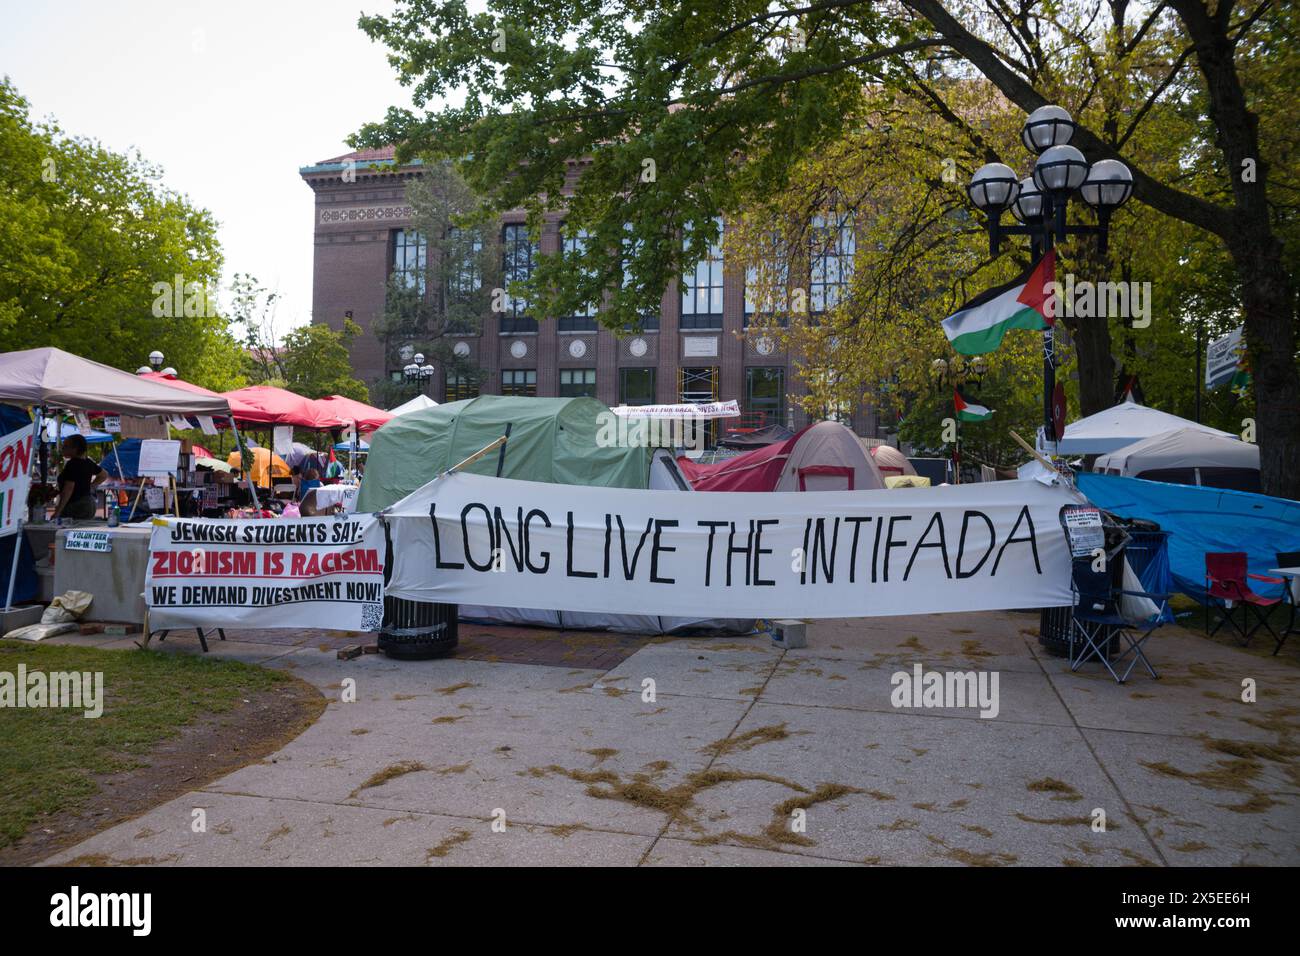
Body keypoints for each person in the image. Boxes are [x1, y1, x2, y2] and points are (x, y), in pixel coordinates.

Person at [52, 434, 107, 521]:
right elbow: (104, 475)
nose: (62, 448)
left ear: (75, 449)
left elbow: (68, 489)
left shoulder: (72, 464)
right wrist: (92, 486)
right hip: (89, 503)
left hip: (76, 506)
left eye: (65, 446)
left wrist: (58, 511)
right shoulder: (88, 462)